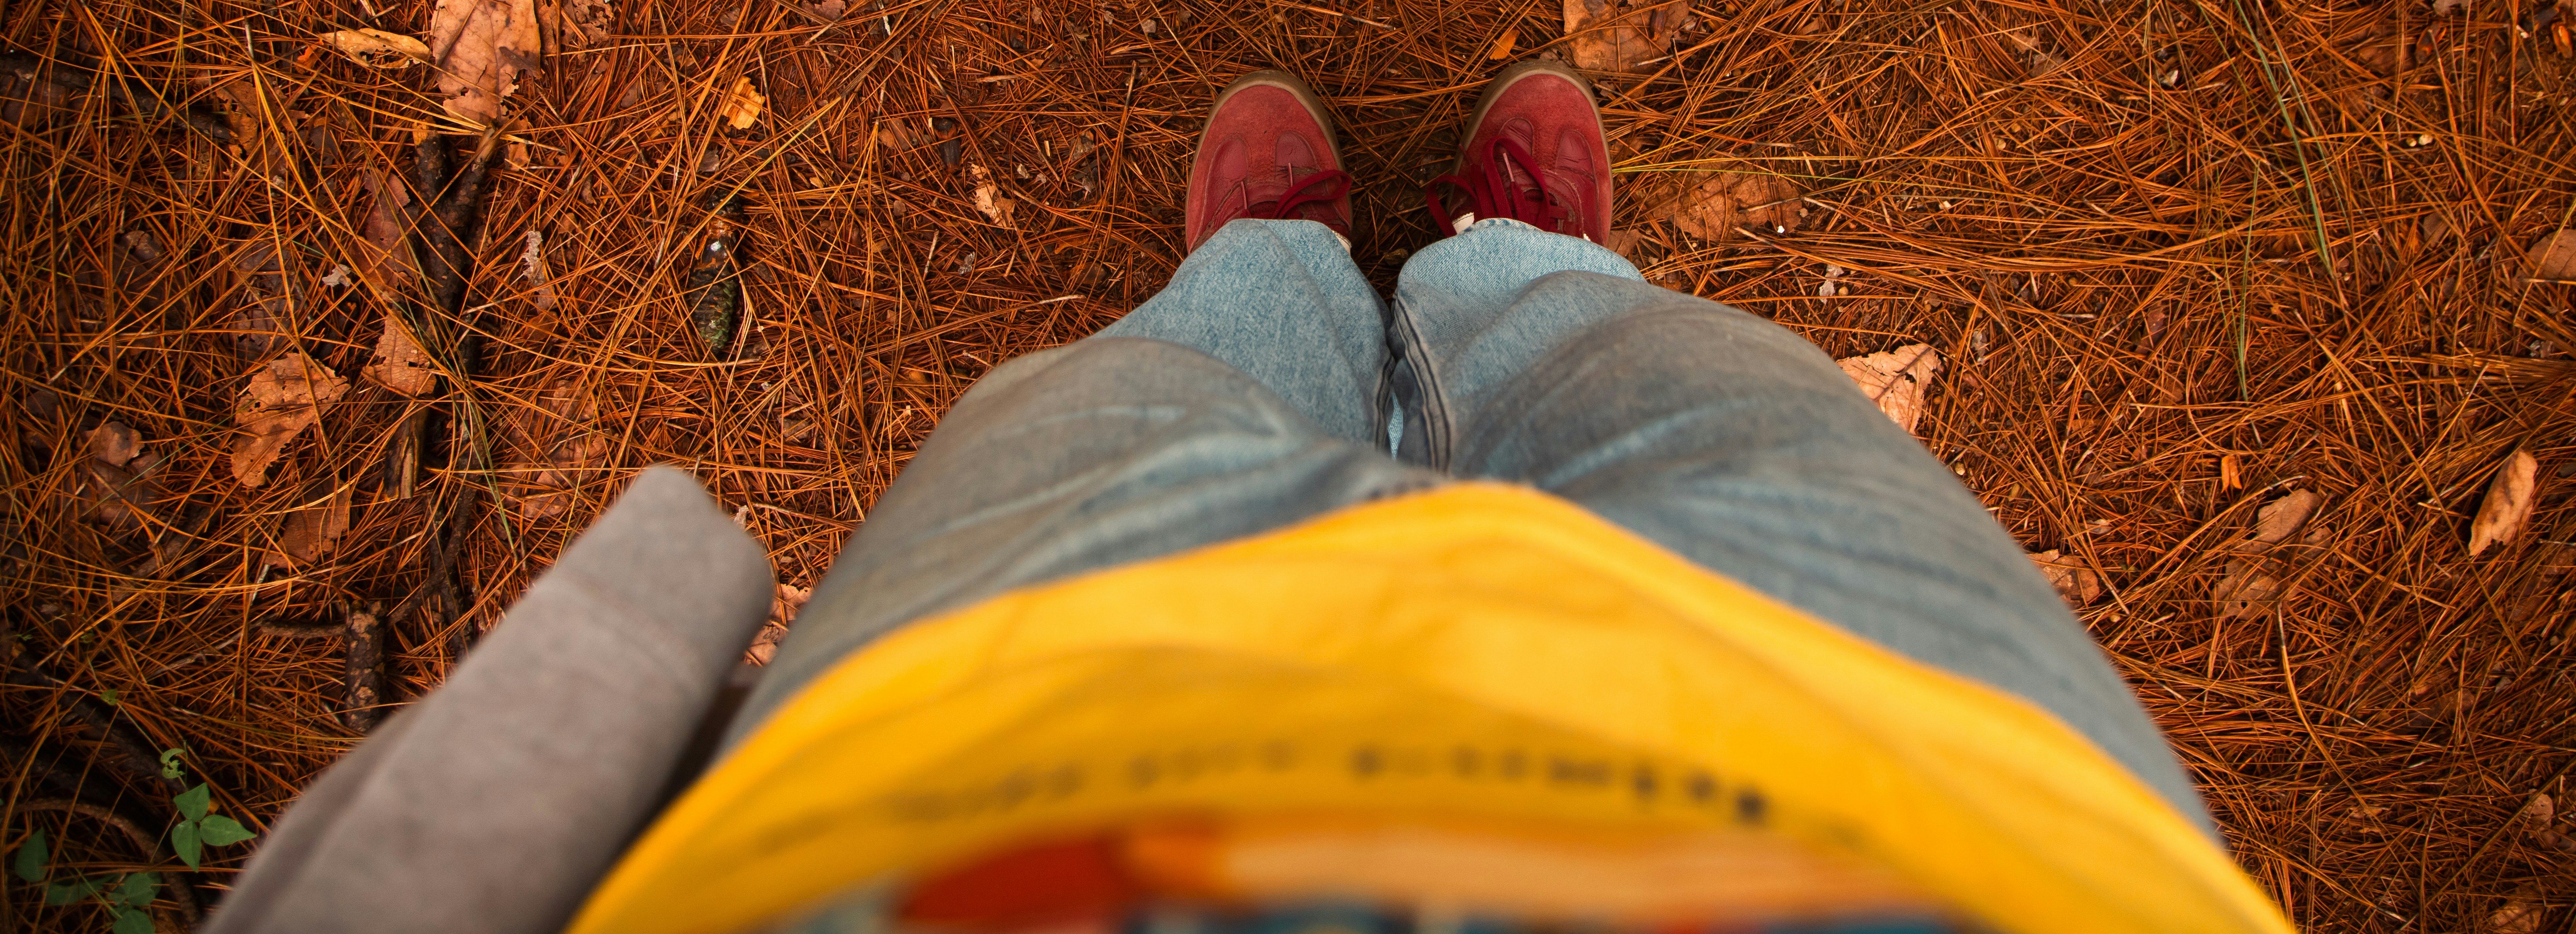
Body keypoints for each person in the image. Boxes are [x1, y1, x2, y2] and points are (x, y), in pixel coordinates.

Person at [210, 62, 2288, 934]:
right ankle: (1503, 284)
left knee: (1154, 391)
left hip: (967, 767)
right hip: (1937, 793)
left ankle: (1280, 282)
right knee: (1669, 386)